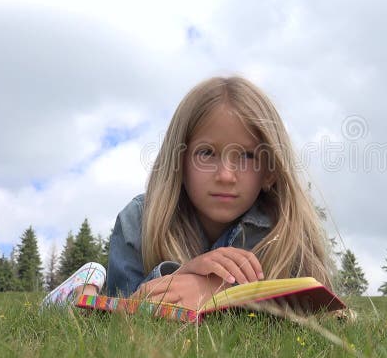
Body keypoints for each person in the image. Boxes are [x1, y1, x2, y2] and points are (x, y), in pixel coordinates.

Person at [43, 76, 333, 310]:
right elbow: (122, 311)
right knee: (84, 311)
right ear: (179, 162)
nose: (225, 176)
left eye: (246, 155)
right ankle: (82, 288)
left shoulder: (286, 230)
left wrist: (217, 290)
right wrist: (181, 276)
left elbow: (317, 309)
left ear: (270, 170)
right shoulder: (138, 221)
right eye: (206, 153)